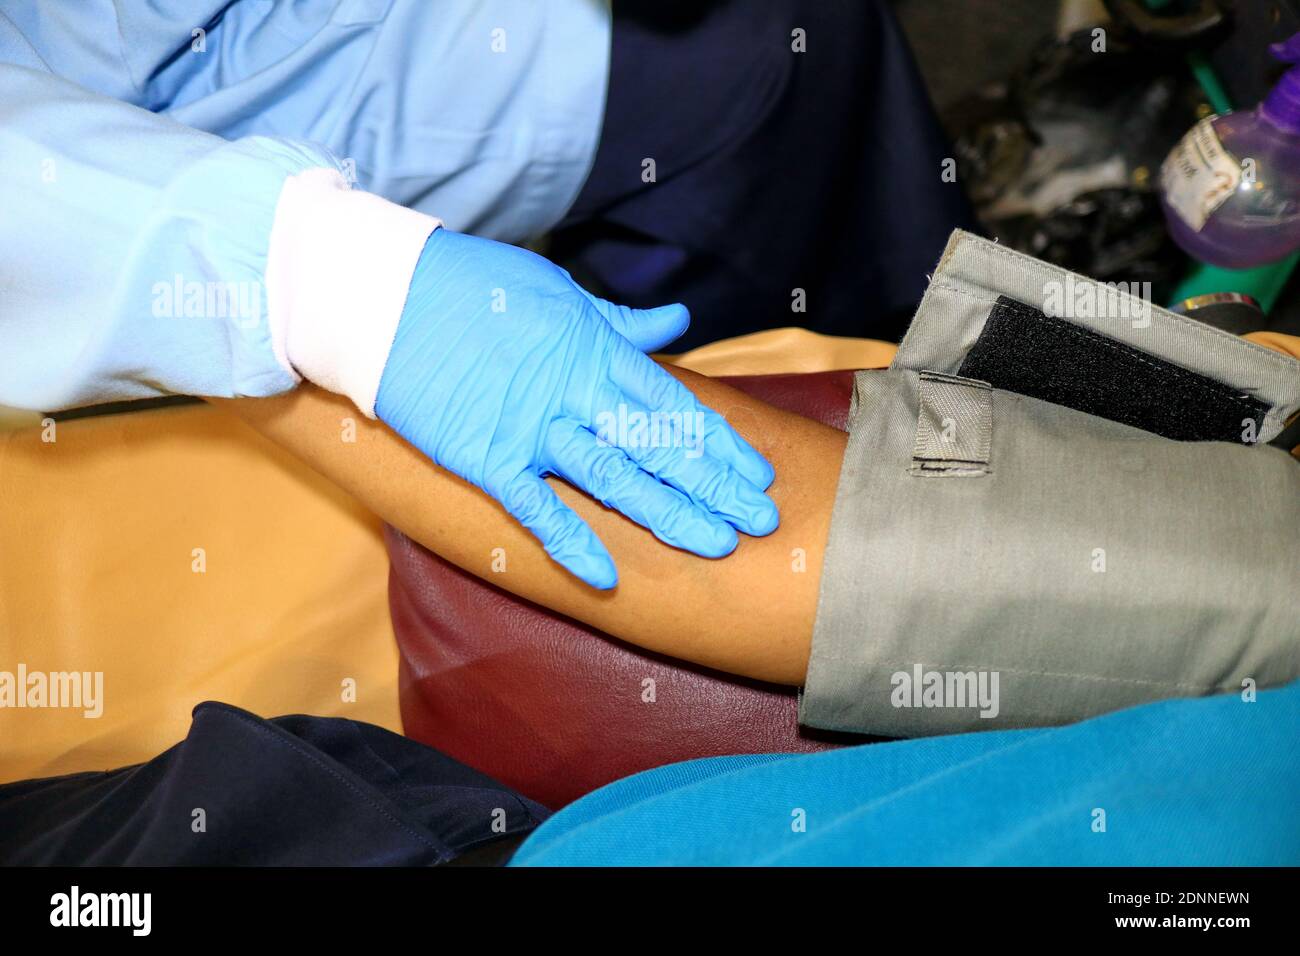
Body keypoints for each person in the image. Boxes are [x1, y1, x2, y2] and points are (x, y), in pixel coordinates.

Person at [0, 1, 969, 590]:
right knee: (751, 63)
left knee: (792, 37)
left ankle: (882, 359)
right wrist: (343, 284)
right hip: (104, 148)